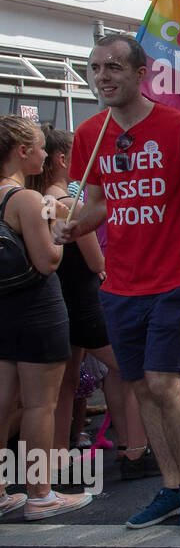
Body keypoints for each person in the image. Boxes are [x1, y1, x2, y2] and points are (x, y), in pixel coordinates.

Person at [58, 33, 180, 531]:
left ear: (141, 75)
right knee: (138, 387)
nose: (103, 76)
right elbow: (92, 204)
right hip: (119, 285)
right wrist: (73, 225)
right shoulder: (90, 136)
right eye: (95, 69)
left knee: (163, 382)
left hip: (172, 279)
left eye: (113, 66)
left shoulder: (179, 128)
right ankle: (172, 487)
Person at [29, 126, 152, 481]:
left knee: (64, 385)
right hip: (86, 304)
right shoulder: (69, 204)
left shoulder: (42, 201)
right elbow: (97, 262)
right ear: (63, 159)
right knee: (131, 368)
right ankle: (134, 445)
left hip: (60, 305)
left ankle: (57, 455)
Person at [0, 117, 93, 520]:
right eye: (39, 147)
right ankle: (40, 493)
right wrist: (56, 224)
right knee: (41, 405)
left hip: (4, 310)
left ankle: (4, 489)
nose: (45, 154)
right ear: (21, 152)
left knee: (3, 404)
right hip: (37, 310)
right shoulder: (26, 200)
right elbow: (48, 261)